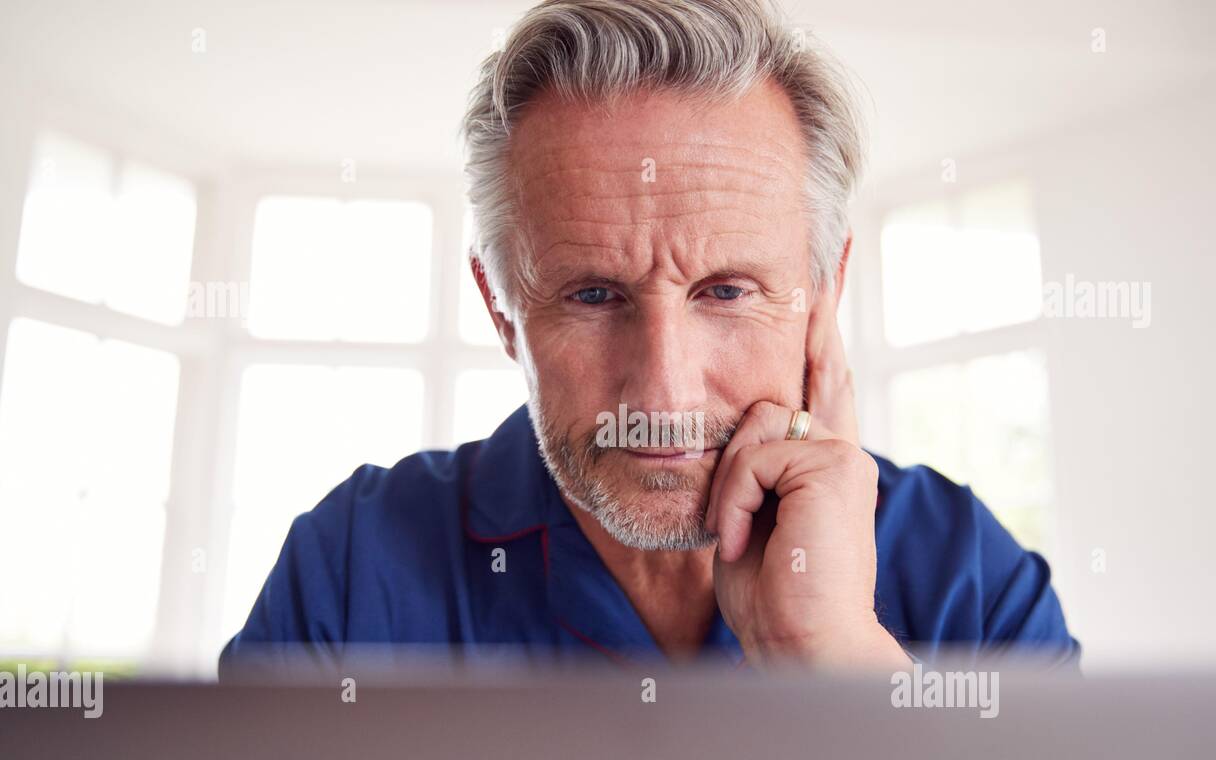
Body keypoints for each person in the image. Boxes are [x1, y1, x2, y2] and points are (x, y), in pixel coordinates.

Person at [220, 0, 1080, 679]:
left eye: (728, 291)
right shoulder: (350, 566)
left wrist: (837, 657)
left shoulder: (968, 573)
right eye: (593, 294)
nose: (662, 394)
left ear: (823, 292)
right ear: (501, 308)